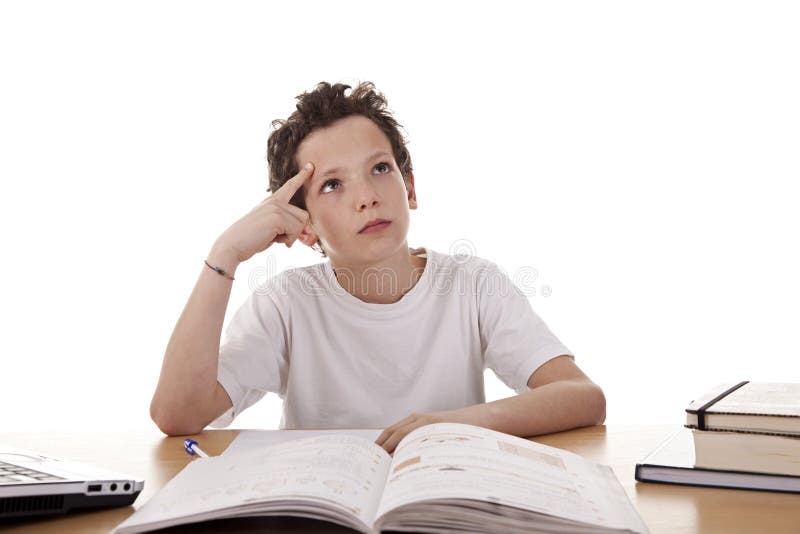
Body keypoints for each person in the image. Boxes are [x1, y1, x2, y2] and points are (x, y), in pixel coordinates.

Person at [150, 81, 606, 454]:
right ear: (302, 224)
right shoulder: (285, 304)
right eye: (332, 184)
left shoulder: (473, 285)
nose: (366, 195)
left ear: (409, 188)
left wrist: (450, 425)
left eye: (380, 169)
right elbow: (178, 416)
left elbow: (583, 397)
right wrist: (223, 254)